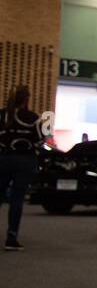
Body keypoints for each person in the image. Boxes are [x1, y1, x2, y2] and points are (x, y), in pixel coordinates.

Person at [0, 85, 43, 250]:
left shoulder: (3, 115)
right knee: (17, 199)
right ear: (27, 99)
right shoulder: (33, 117)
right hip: (25, 160)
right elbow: (39, 140)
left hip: (4, 158)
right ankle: (11, 238)